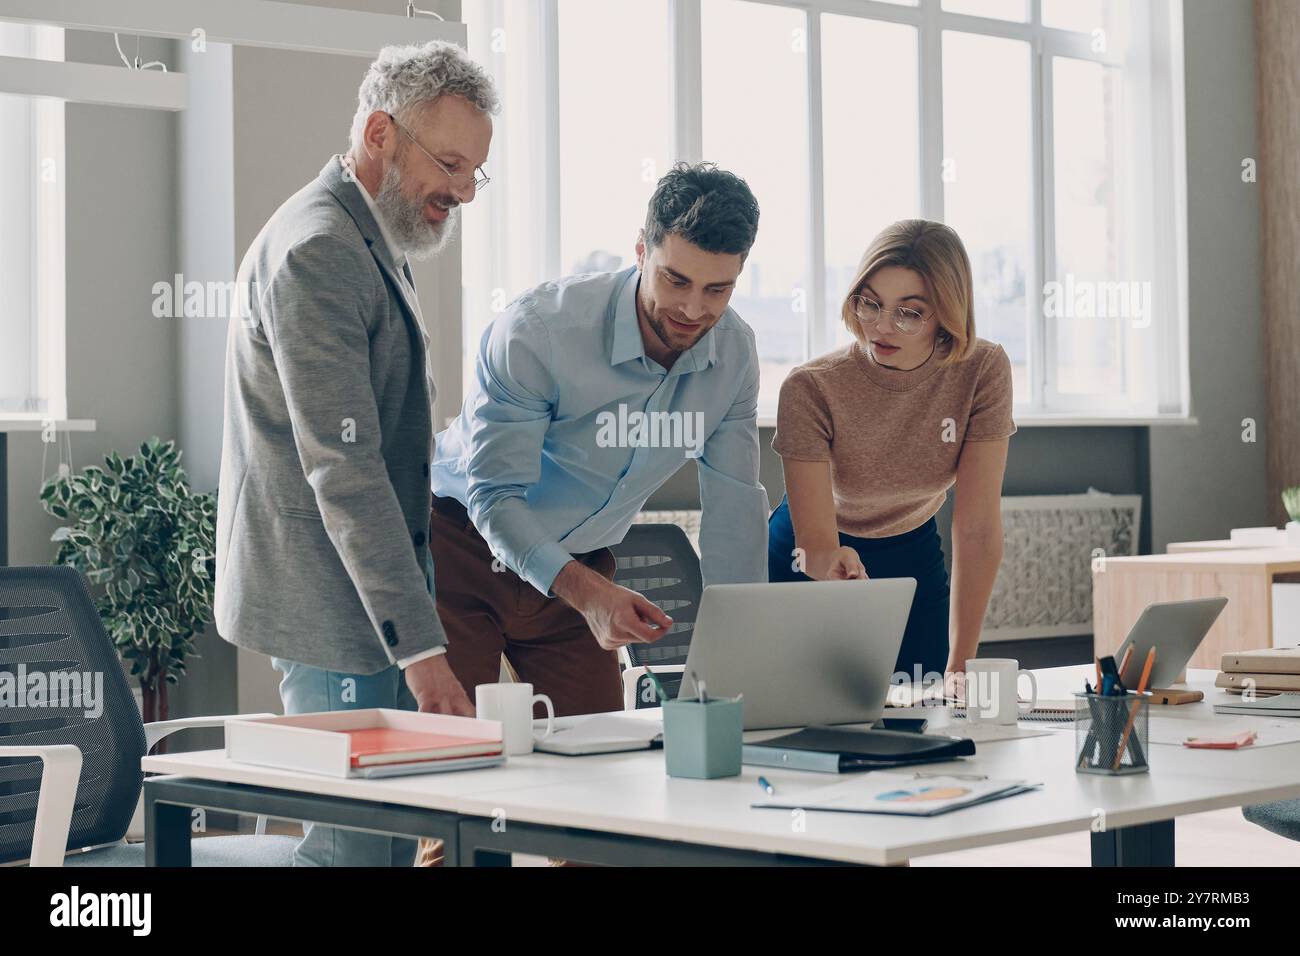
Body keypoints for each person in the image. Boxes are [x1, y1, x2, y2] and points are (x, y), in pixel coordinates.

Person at [214, 41, 498, 866]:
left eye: (476, 172)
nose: (461, 191)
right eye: (449, 164)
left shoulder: (368, 233)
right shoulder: (321, 249)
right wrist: (423, 648)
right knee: (356, 849)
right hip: (332, 605)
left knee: (368, 841)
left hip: (359, 595)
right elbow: (344, 466)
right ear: (380, 133)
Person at [429, 162, 768, 717]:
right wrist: (588, 593)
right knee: (449, 756)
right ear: (640, 251)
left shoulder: (733, 356)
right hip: (461, 551)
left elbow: (734, 506)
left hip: (581, 564)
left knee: (600, 763)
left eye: (718, 289)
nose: (692, 309)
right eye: (675, 280)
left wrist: (742, 650)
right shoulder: (538, 334)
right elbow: (493, 497)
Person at [768, 219, 1016, 698]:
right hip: (813, 552)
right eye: (871, 303)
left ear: (947, 314)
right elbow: (816, 542)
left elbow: (978, 527)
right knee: (816, 715)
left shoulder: (983, 369)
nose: (881, 326)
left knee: (925, 719)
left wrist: (963, 660)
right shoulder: (811, 387)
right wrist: (831, 564)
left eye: (909, 313)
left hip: (912, 551)